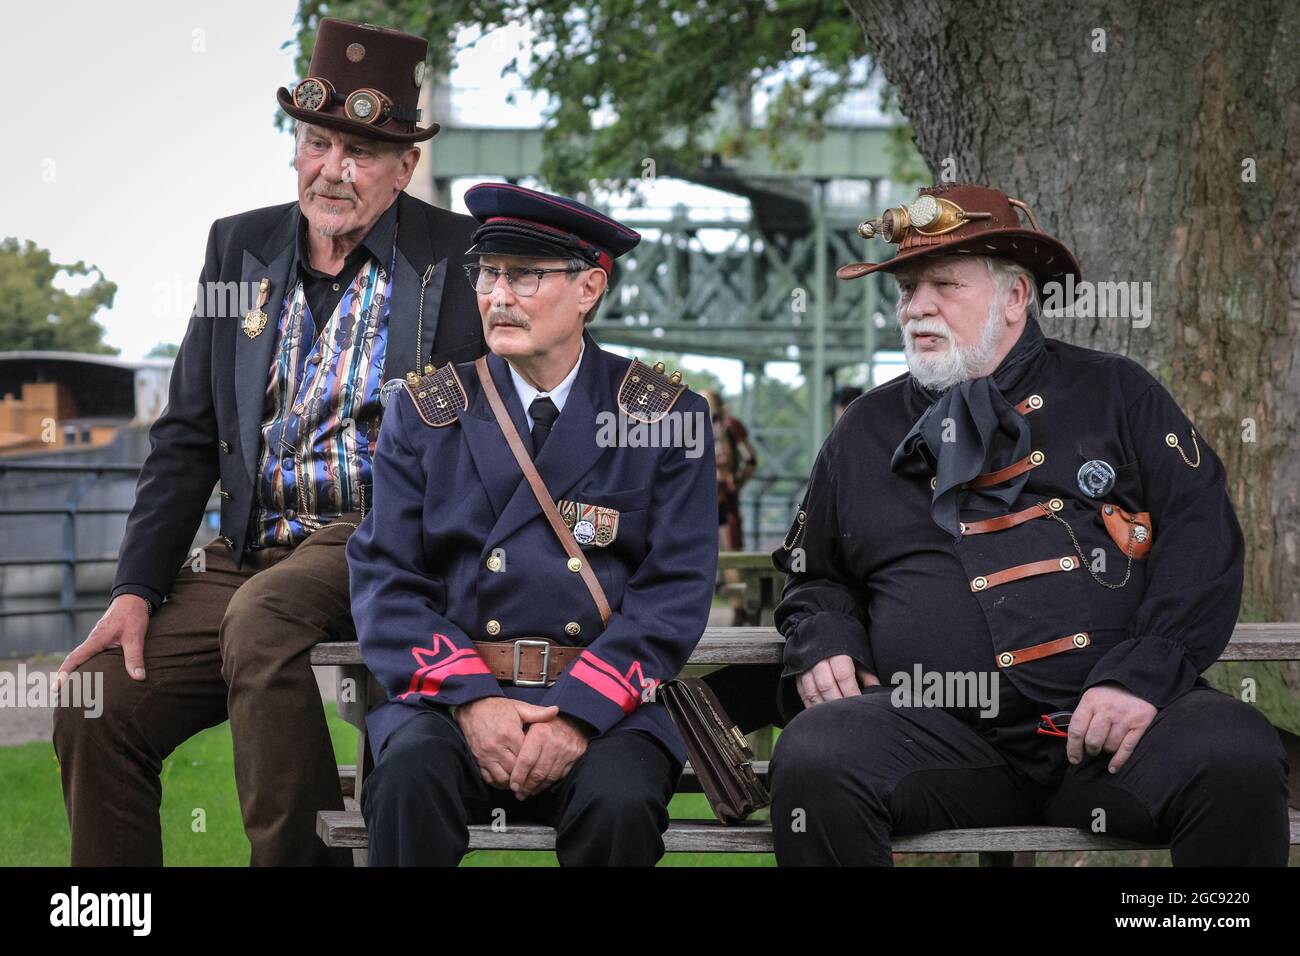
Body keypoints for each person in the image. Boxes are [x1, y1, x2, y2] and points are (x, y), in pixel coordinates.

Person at [52, 19, 484, 866]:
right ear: (297, 148)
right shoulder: (239, 247)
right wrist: (135, 588)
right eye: (318, 143)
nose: (333, 168)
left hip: (384, 541)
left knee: (262, 617)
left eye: (361, 153)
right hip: (249, 550)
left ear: (405, 167)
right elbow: (186, 437)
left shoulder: (461, 257)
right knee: (93, 703)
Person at [768, 183, 1289, 866]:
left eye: (944, 285)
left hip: (1112, 737)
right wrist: (826, 636)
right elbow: (814, 576)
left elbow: (1202, 542)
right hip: (939, 737)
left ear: (1015, 297)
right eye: (908, 289)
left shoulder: (1118, 392)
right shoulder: (864, 429)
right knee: (816, 757)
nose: (917, 306)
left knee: (1234, 752)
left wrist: (1143, 674)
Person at [347, 182, 718, 865]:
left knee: (619, 803)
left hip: (600, 706)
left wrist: (576, 715)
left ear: (589, 289)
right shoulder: (424, 413)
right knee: (406, 780)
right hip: (454, 699)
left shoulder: (665, 418)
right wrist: (471, 700)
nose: (498, 296)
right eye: (488, 273)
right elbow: (386, 581)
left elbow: (675, 590)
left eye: (524, 276)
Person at [704, 389, 758, 625]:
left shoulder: (729, 425)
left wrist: (735, 483)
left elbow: (750, 459)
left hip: (724, 498)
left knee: (730, 550)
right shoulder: (694, 424)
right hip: (701, 497)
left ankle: (739, 608)